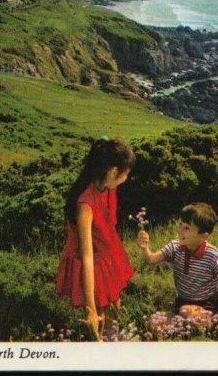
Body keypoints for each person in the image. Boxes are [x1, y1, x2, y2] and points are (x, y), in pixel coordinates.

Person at [55, 137, 136, 341]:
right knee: (98, 317)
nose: (127, 177)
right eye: (125, 172)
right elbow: (86, 258)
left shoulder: (108, 187)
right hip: (92, 261)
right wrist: (90, 308)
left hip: (107, 252)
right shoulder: (85, 205)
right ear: (112, 171)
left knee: (114, 308)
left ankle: (112, 339)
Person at [137, 202, 218, 328]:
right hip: (181, 303)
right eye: (180, 225)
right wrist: (145, 248)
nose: (179, 231)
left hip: (205, 305)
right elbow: (150, 259)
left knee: (186, 312)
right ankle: (185, 329)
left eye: (186, 228)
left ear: (203, 236)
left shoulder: (212, 255)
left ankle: (208, 323)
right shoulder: (175, 247)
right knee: (153, 322)